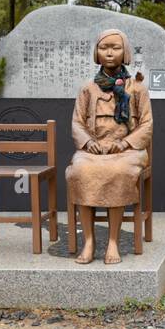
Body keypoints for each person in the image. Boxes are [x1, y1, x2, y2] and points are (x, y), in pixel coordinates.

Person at [66, 29, 152, 265]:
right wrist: (88, 142)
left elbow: (146, 124)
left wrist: (124, 143)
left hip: (127, 151)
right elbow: (77, 122)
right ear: (97, 52)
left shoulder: (137, 88)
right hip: (93, 150)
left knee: (118, 173)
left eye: (115, 47)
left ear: (125, 51)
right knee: (80, 171)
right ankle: (89, 241)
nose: (110, 53)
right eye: (104, 48)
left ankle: (112, 241)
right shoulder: (87, 88)